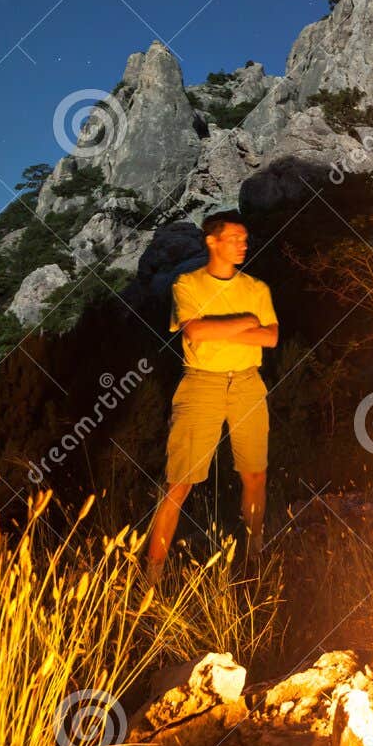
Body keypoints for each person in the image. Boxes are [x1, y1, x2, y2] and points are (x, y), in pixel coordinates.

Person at [143, 210, 278, 587]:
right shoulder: (187, 283)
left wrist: (219, 329)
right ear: (212, 241)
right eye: (234, 238)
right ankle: (152, 577)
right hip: (201, 384)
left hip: (248, 383)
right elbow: (195, 332)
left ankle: (255, 557)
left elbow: (270, 337)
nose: (242, 245)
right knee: (179, 482)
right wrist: (246, 323)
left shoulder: (256, 288)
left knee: (255, 474)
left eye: (245, 239)